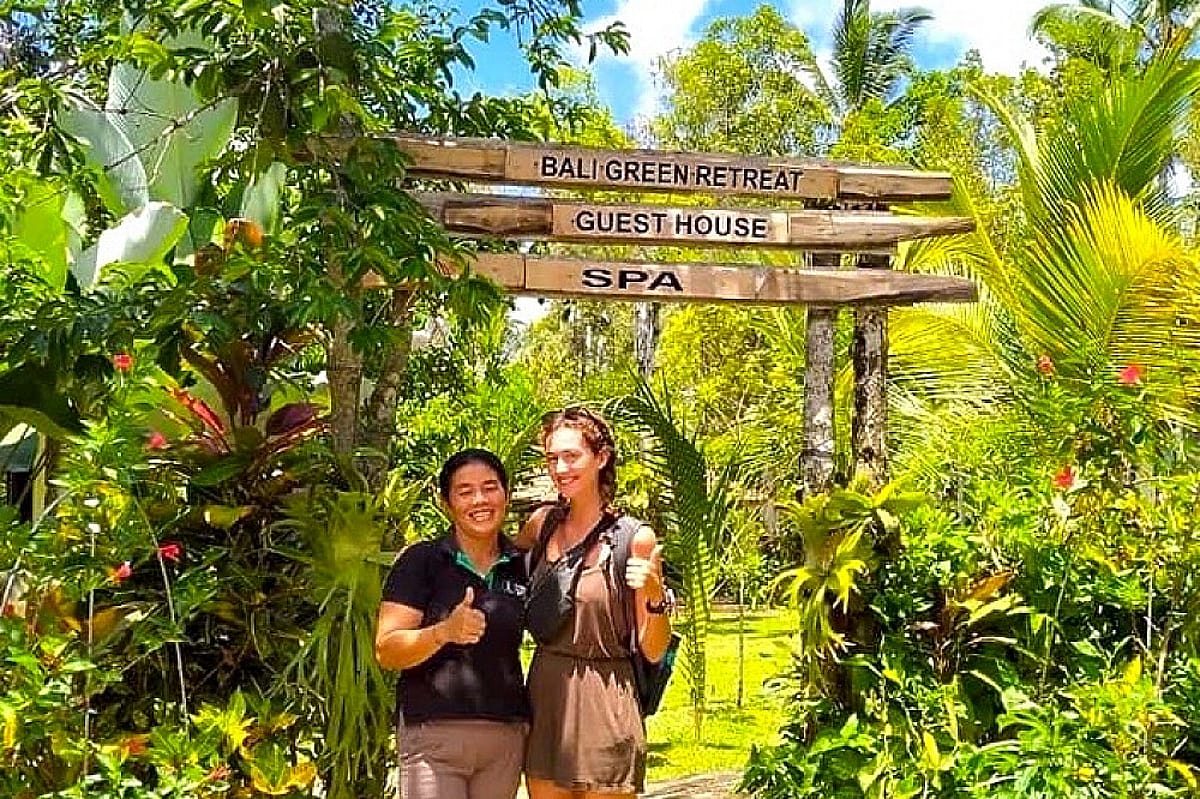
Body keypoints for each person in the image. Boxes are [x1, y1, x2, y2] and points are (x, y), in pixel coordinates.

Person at [519, 407, 673, 799]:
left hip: (607, 700)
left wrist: (654, 592)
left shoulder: (633, 539)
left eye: (571, 456)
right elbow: (497, 576)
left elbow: (653, 649)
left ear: (600, 458)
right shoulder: (541, 525)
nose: (560, 468)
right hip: (546, 699)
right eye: (552, 458)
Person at [375, 449, 529, 799]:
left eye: (490, 487)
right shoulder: (422, 561)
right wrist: (443, 632)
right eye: (465, 491)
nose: (480, 500)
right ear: (447, 503)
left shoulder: (520, 564)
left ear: (506, 493)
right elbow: (387, 649)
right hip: (433, 737)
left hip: (504, 736)